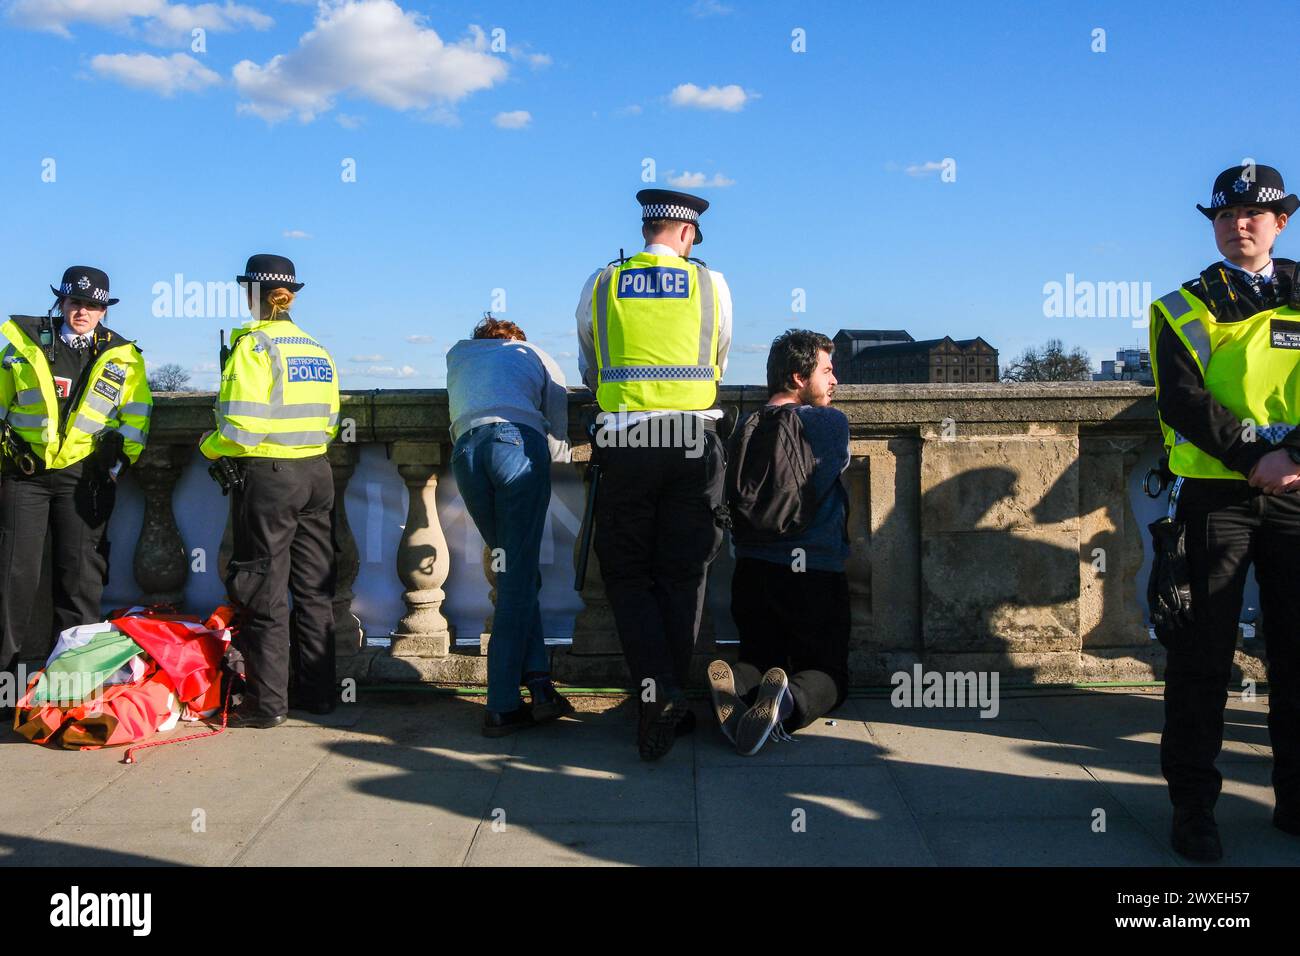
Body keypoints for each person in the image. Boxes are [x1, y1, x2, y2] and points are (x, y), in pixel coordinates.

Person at [1150, 163, 1300, 861]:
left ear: (1281, 221)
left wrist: (1292, 454)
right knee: (1202, 659)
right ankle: (1194, 810)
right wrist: (1256, 459)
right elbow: (1182, 400)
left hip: (1299, 490)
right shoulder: (1182, 305)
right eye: (1224, 214)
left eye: (1251, 213)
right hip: (1217, 500)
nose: (1237, 223)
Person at [575, 188, 733, 760]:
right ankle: (670, 698)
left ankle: (657, 695)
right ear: (687, 234)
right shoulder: (711, 285)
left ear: (647, 230)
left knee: (627, 575)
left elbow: (592, 364)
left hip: (628, 440)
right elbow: (718, 358)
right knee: (684, 574)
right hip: (693, 439)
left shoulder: (601, 283)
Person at [0, 266, 152, 717]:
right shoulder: (22, 347)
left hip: (84, 479)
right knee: (12, 580)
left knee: (80, 582)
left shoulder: (123, 357)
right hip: (23, 476)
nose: (82, 311)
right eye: (74, 302)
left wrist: (116, 466)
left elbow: (136, 417)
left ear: (104, 308)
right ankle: (6, 688)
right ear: (61, 303)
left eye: (92, 305)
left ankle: (71, 692)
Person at [200, 254, 340, 729]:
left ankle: (267, 703)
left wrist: (210, 446)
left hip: (270, 476)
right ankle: (319, 695)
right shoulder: (316, 347)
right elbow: (330, 422)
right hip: (316, 472)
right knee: (315, 588)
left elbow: (241, 428)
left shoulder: (255, 346)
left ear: (250, 294)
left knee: (264, 590)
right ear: (292, 295)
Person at [709, 329, 850, 755]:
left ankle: (740, 682)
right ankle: (787, 703)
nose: (834, 381)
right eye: (826, 371)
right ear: (796, 376)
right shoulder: (829, 422)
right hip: (814, 572)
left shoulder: (745, 425)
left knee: (759, 653)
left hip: (753, 569)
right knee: (827, 672)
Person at [447, 315, 574, 736]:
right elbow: (557, 427)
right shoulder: (533, 354)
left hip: (466, 453)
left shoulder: (458, 357)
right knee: (517, 578)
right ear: (516, 341)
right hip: (515, 447)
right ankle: (501, 703)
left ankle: (539, 685)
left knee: (516, 574)